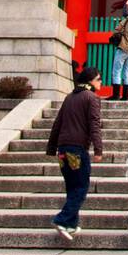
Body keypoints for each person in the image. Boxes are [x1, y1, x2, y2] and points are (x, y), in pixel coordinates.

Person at [46, 66, 103, 241]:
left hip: (63, 150)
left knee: (72, 187)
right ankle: (61, 219)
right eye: (99, 79)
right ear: (91, 81)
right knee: (81, 187)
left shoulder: (69, 97)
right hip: (77, 149)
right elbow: (94, 124)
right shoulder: (91, 98)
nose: (101, 82)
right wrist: (98, 149)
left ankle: (71, 224)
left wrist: (51, 148)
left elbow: (58, 123)